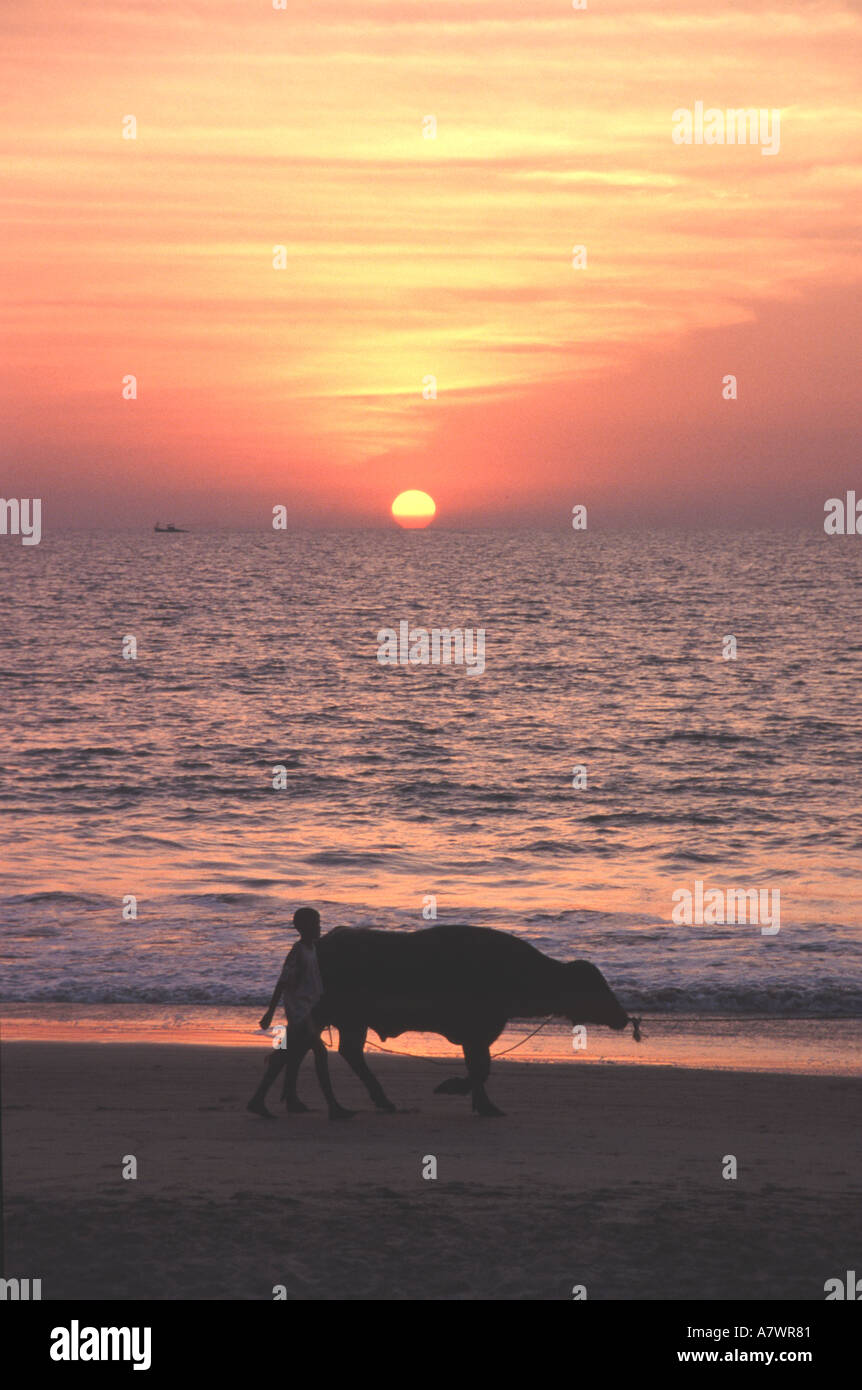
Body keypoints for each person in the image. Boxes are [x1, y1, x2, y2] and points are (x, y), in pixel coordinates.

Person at [246, 907, 354, 1121]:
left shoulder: (311, 948)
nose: (319, 927)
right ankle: (333, 1106)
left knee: (285, 1056)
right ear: (302, 927)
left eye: (319, 922)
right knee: (319, 1053)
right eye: (315, 923)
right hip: (299, 1014)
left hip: (306, 1011)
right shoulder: (298, 951)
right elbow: (283, 982)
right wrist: (269, 1012)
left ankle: (260, 1100)